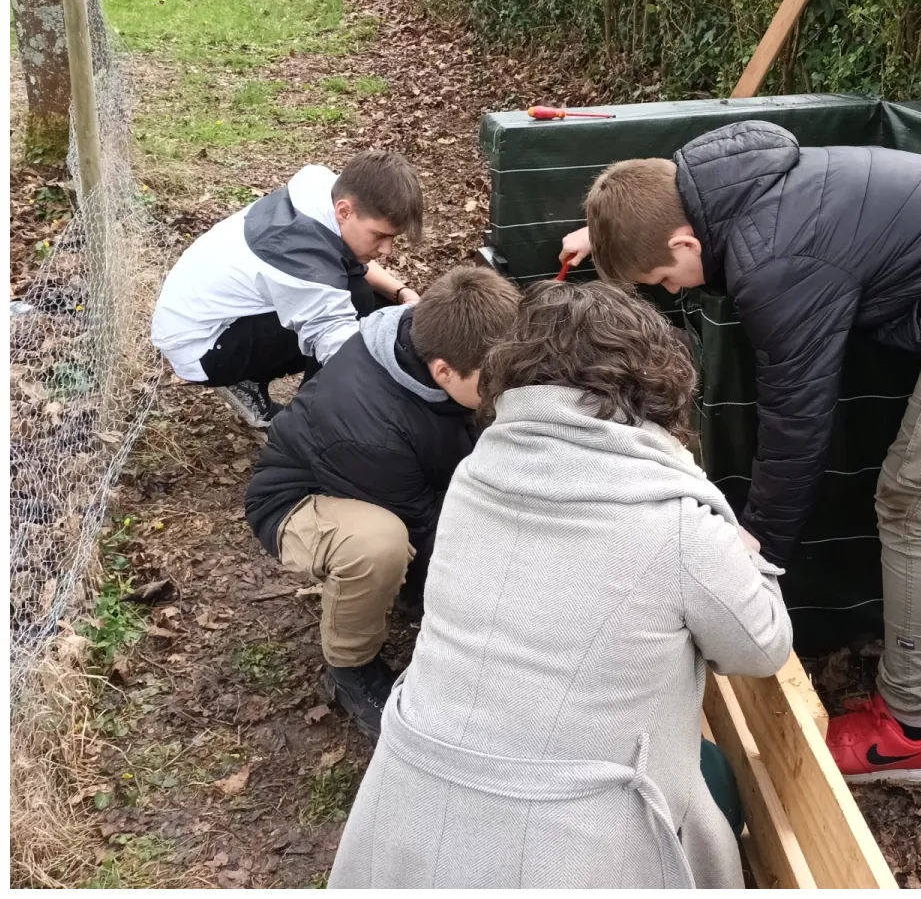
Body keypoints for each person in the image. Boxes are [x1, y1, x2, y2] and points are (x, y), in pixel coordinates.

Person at [562, 119, 921, 786]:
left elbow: (798, 420)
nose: (675, 290)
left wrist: (760, 542)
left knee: (916, 508)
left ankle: (911, 731)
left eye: (665, 276)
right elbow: (658, 214)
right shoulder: (722, 184)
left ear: (685, 241)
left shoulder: (776, 262)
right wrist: (609, 236)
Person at [328, 281, 793, 888]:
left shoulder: (475, 476)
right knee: (716, 780)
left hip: (409, 821)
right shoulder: (677, 522)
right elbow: (762, 647)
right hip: (562, 848)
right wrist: (743, 552)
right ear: (659, 386)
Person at [244, 266, 521, 739]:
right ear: (443, 371)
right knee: (379, 546)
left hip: (391, 482)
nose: (503, 390)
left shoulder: (447, 347)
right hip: (302, 501)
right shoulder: (370, 427)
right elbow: (426, 529)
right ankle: (350, 669)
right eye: (492, 382)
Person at [152, 151, 423, 428]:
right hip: (202, 348)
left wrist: (403, 293)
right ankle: (304, 426)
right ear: (344, 211)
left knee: (366, 299)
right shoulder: (300, 257)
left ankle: (252, 380)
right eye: (379, 236)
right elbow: (338, 346)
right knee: (357, 307)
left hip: (207, 317)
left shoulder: (325, 193)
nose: (387, 249)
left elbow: (354, 264)